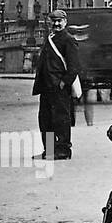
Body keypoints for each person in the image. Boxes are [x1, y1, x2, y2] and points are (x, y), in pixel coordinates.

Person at [31, 9, 84, 160]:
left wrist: (63, 83)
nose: (56, 24)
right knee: (45, 120)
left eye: (59, 21)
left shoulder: (68, 40)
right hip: (46, 87)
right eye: (54, 21)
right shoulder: (50, 38)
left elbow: (74, 67)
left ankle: (63, 150)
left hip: (59, 88)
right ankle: (48, 150)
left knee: (61, 119)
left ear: (65, 22)